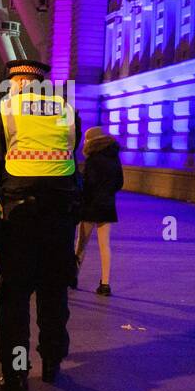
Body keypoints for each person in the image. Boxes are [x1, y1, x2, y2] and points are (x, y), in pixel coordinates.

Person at [0, 59, 81, 390]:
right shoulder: (65, 109)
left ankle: (15, 371)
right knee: (53, 293)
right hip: (59, 218)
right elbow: (72, 152)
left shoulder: (9, 109)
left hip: (20, 219)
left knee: (14, 297)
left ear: (19, 82)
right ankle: (52, 360)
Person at [73, 126, 123, 296]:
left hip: (90, 206)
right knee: (105, 246)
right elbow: (119, 183)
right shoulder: (114, 158)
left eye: (86, 139)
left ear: (92, 141)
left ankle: (72, 278)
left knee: (81, 245)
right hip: (107, 206)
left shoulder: (92, 159)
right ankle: (105, 284)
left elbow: (87, 185)